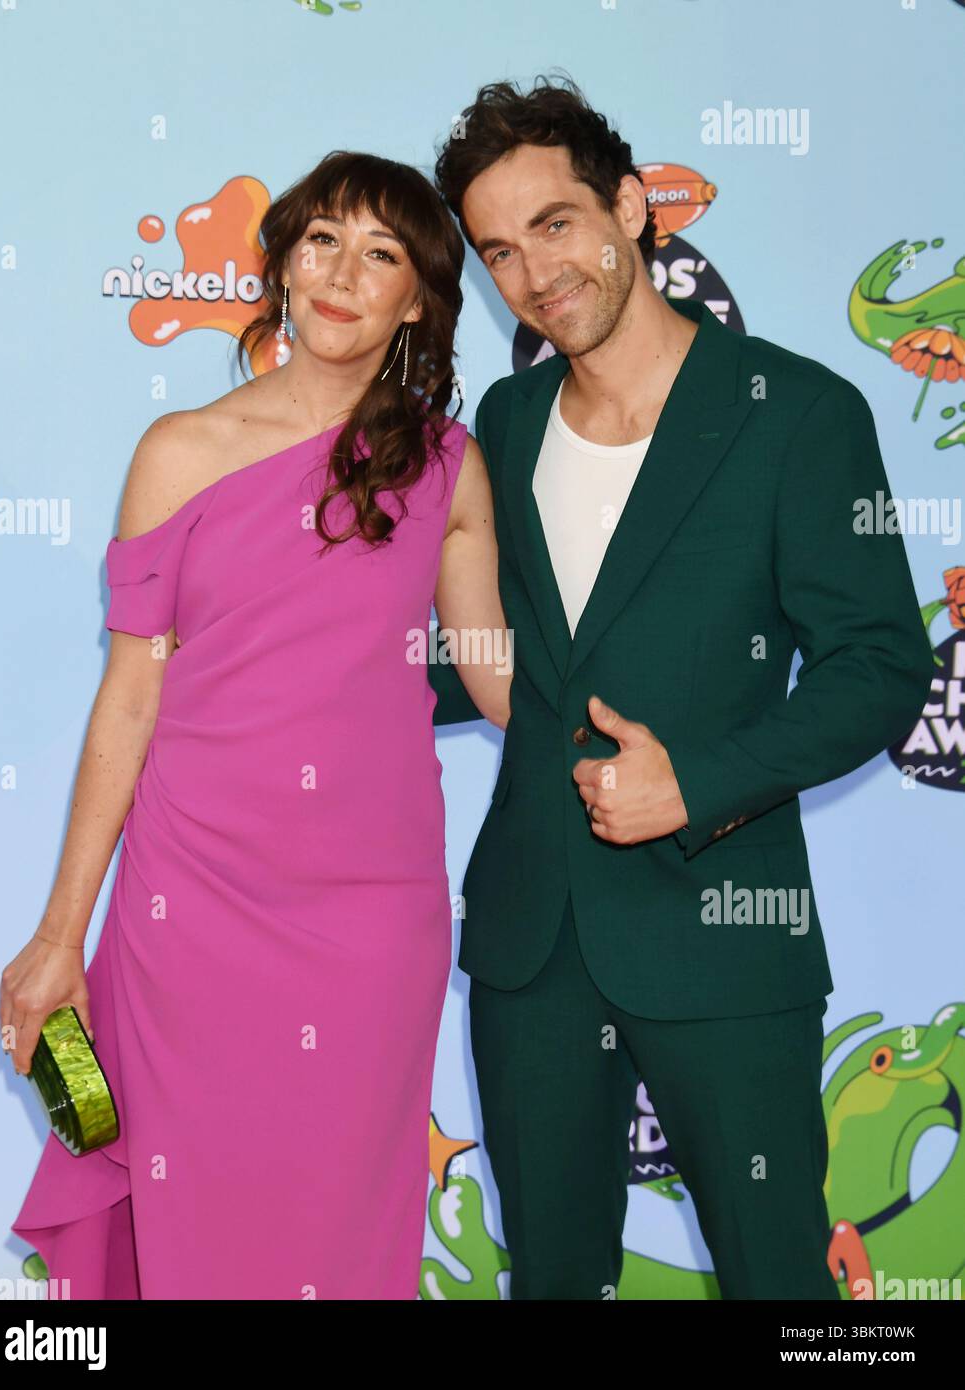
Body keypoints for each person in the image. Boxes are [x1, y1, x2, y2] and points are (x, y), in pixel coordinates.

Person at [427, 75, 934, 1299]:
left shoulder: (796, 412)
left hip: (721, 930)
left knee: (777, 1281)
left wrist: (693, 782)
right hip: (529, 943)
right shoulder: (502, 414)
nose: (534, 273)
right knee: (549, 1278)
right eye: (498, 249)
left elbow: (879, 665)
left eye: (554, 224)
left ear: (632, 207)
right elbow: (483, 657)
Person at [2, 150, 511, 1300]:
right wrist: (57, 934)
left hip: (371, 914)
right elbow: (130, 697)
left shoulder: (445, 466)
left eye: (382, 253)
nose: (341, 273)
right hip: (193, 904)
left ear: (421, 297)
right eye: (321, 238)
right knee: (196, 1209)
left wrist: (689, 710)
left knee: (340, 1213)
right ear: (281, 259)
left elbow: (496, 679)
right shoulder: (177, 453)